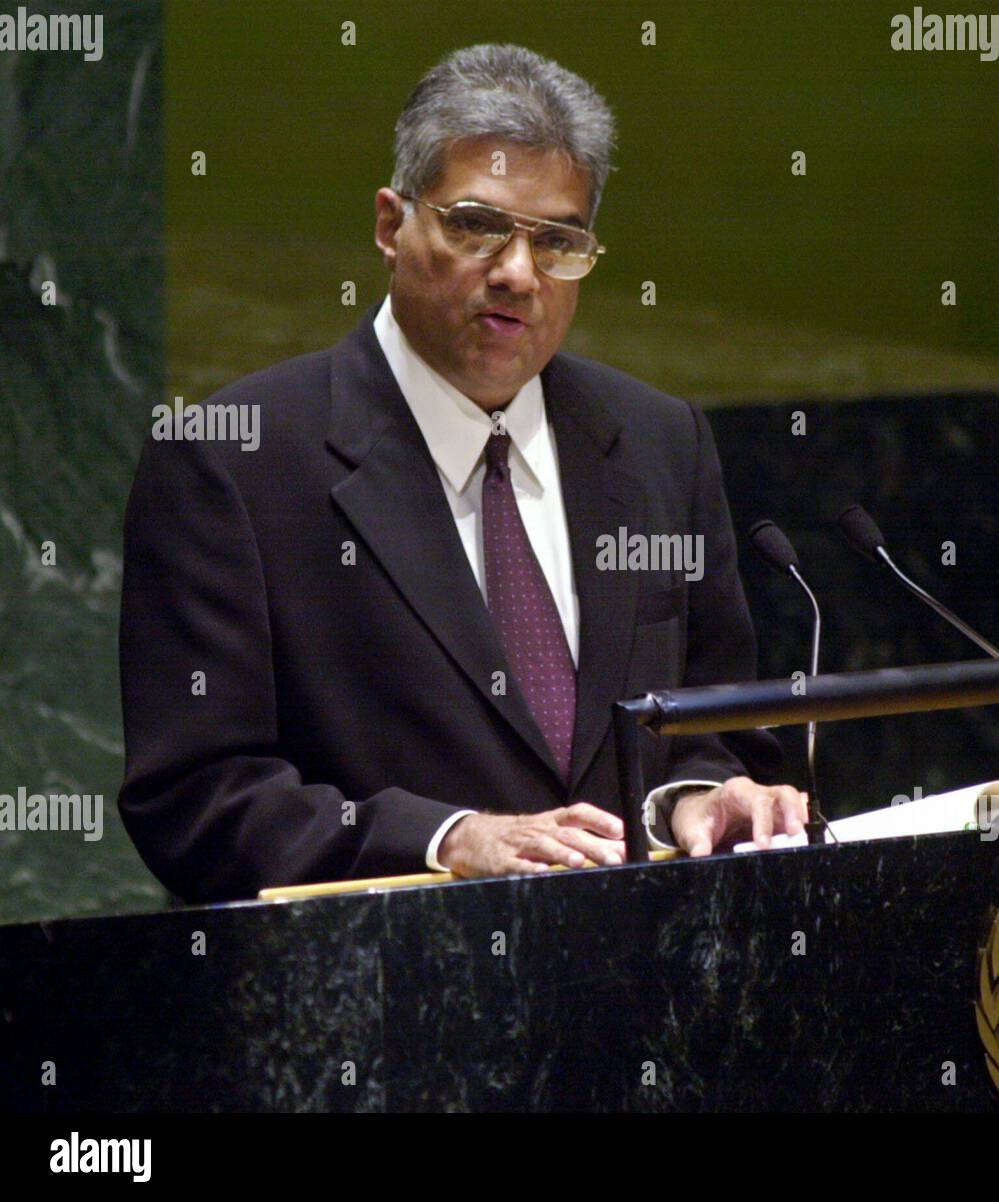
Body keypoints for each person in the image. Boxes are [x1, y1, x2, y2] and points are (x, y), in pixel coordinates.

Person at [118, 43, 807, 902]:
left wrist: (701, 797)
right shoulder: (233, 461)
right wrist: (447, 839)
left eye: (557, 242)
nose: (518, 274)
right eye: (477, 225)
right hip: (385, 1003)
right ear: (389, 224)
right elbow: (193, 800)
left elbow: (715, 726)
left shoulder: (660, 441)